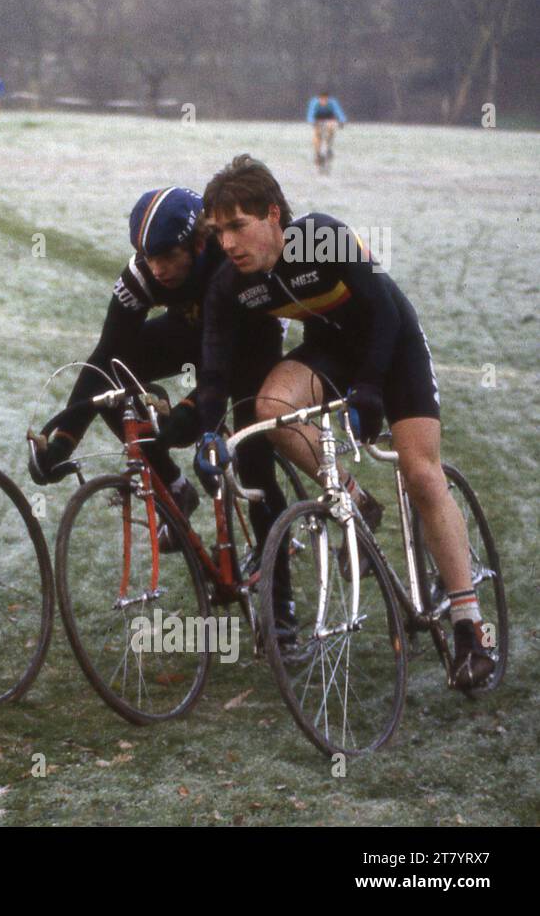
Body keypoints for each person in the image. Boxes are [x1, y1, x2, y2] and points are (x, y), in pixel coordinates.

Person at [195, 154, 494, 689]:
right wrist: (210, 432)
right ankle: (354, 499)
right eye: (218, 232)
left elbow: (382, 311)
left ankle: (469, 623)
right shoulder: (230, 283)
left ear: (272, 215)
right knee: (271, 410)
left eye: (238, 226)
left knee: (421, 473)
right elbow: (215, 373)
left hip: (392, 343)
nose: (228, 243)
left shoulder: (319, 237)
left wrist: (372, 386)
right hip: (330, 349)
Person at [30, 187, 286, 574]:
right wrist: (63, 440)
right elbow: (104, 359)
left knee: (251, 456)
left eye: (167, 257)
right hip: (190, 333)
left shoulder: (229, 263)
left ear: (199, 244)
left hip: (249, 343)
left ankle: (275, 577)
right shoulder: (143, 274)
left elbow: (237, 362)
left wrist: (191, 409)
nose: (157, 268)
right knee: (113, 379)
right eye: (148, 257)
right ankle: (175, 488)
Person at [306, 90, 346, 171]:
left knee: (330, 129)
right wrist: (312, 122)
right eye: (322, 100)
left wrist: (342, 121)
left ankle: (328, 148)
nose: (323, 102)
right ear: (319, 99)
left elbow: (338, 112)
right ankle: (317, 153)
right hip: (318, 118)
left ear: (328, 99)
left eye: (325, 100)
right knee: (317, 134)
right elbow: (310, 114)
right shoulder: (314, 103)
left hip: (329, 117)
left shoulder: (333, 103)